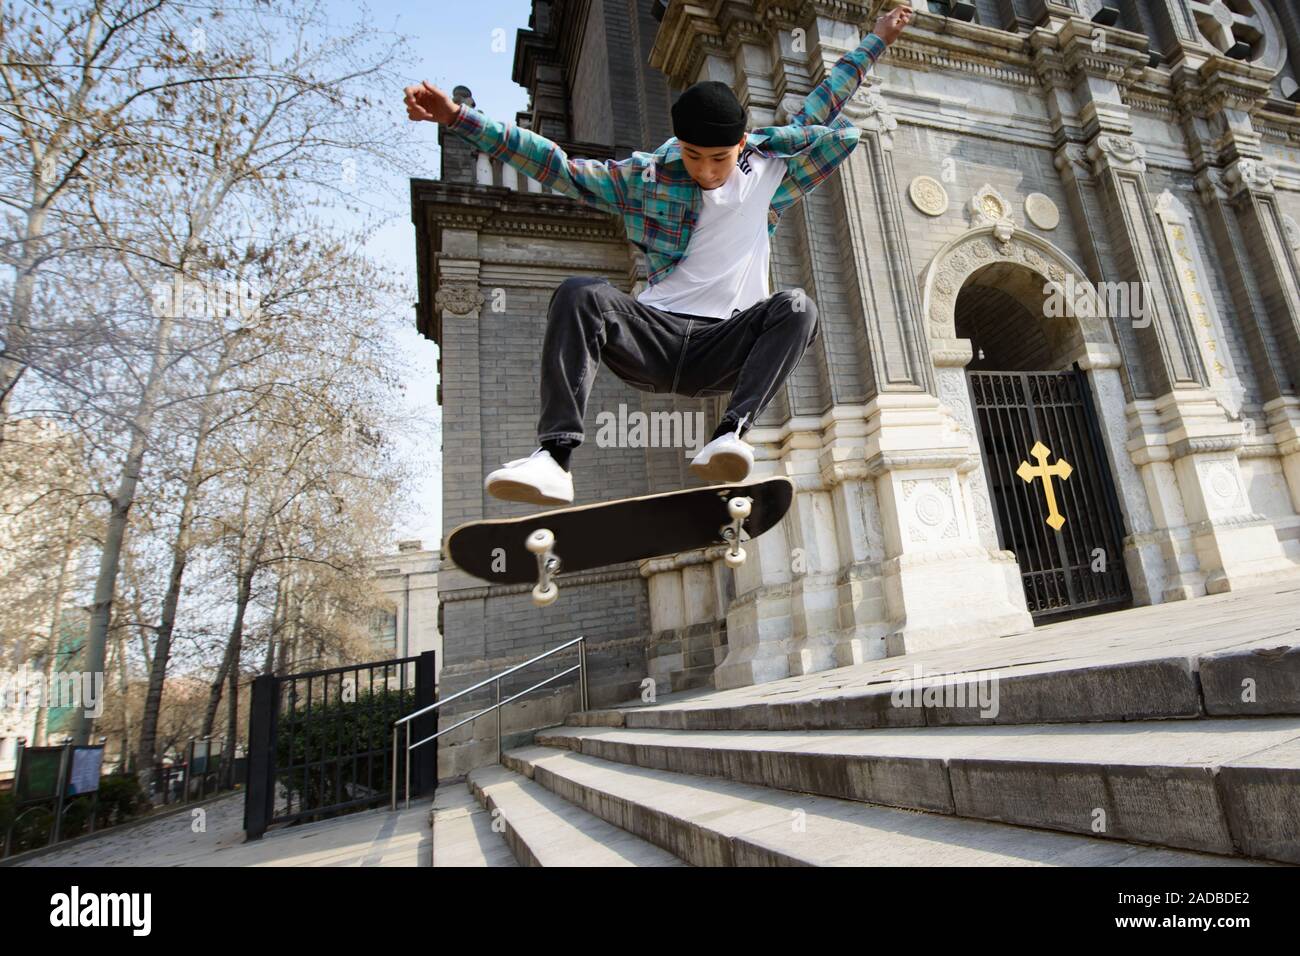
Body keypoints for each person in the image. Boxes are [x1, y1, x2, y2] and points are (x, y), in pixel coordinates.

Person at [406, 5, 913, 505]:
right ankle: (554, 458)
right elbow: (558, 167)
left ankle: (731, 434)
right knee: (581, 293)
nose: (706, 171)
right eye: (693, 157)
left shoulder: (770, 168)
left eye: (719, 159)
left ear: (741, 144)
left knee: (797, 307)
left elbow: (823, 102)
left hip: (724, 346)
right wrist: (459, 119)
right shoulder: (646, 178)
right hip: (655, 338)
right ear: (678, 145)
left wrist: (877, 39)